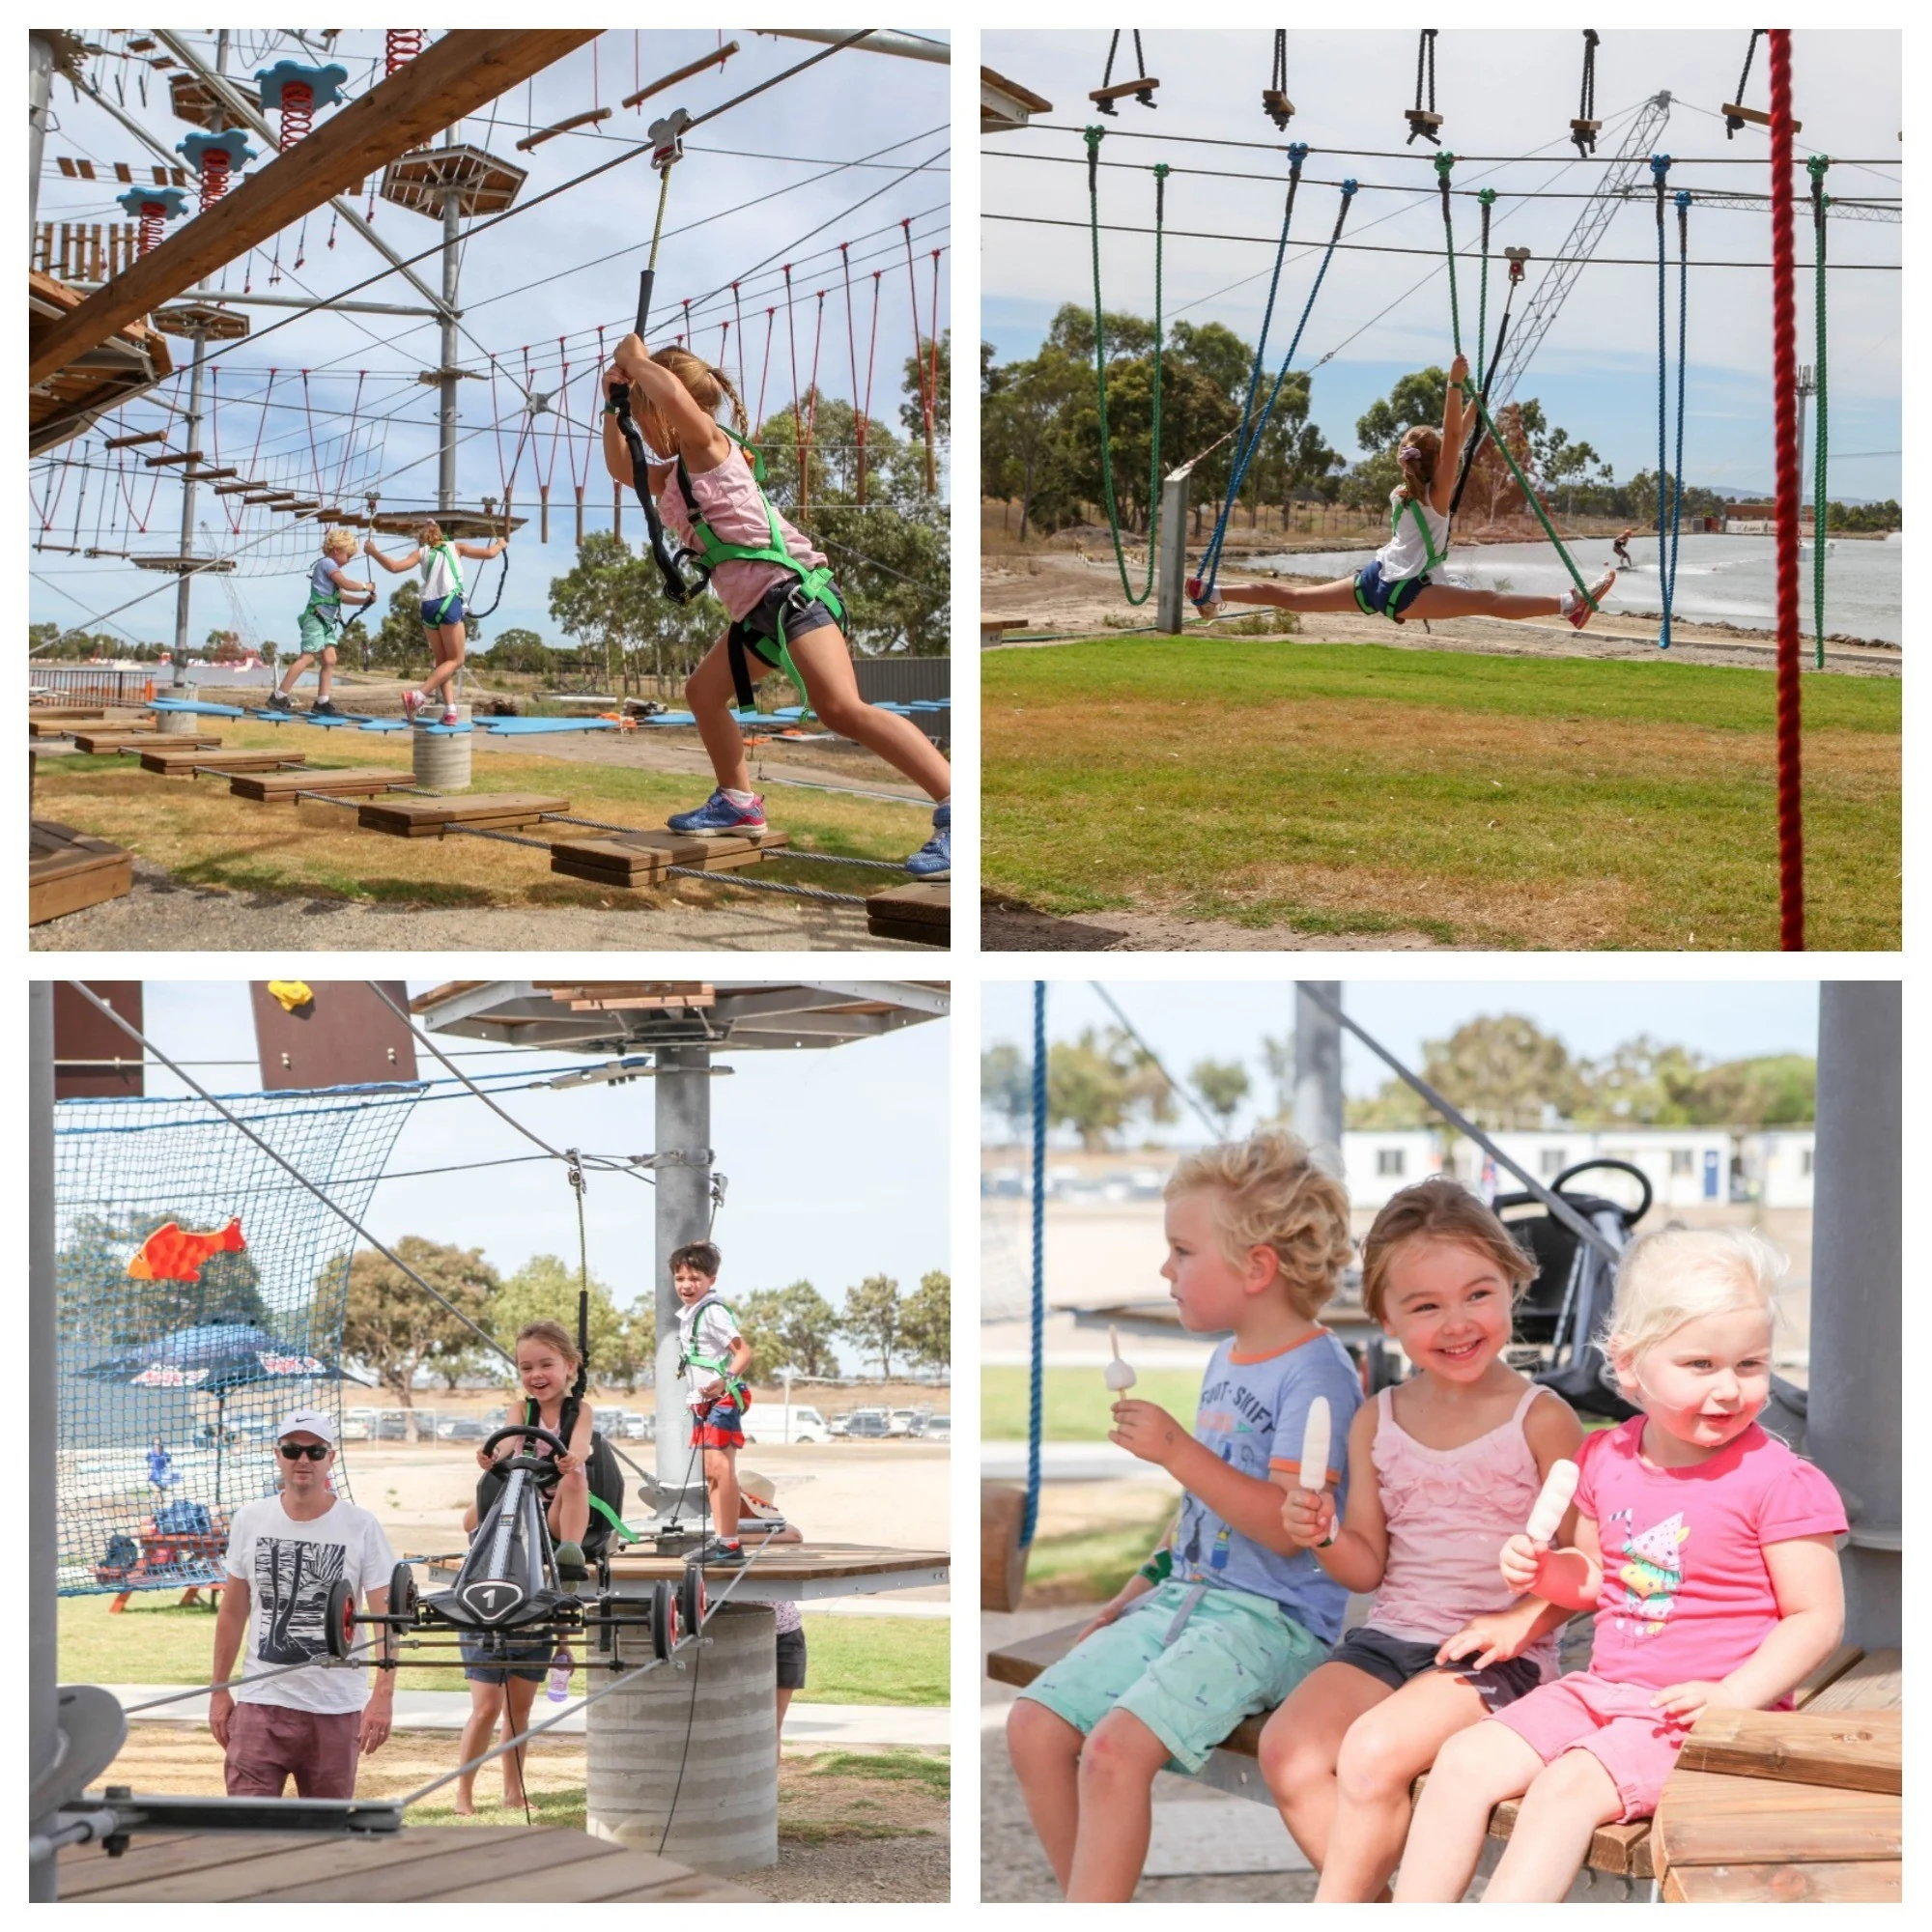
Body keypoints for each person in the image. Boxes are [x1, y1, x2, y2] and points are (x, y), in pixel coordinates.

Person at [1394, 1227, 1847, 1903]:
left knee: (1566, 1788)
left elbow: (1818, 1617)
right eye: (1700, 1366)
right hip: (1603, 1690)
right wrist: (1542, 1573)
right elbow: (1596, 1576)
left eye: (1750, 1365)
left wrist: (1733, 1697)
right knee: (1462, 1760)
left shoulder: (1779, 1481)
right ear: (1630, 1367)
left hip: (1704, 1715)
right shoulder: (1608, 1457)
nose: (1729, 1388)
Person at [1006, 1130, 1364, 1901]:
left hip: (1271, 1624)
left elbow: (1283, 1524)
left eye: (1181, 1251)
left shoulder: (1319, 1375)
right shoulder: (1226, 1357)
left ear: (1256, 1267)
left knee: (1113, 1752)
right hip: (1188, 1602)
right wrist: (1137, 1588)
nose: (1164, 1271)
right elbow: (1200, 1511)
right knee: (1034, 1727)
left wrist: (1176, 1449)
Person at [1258, 1180, 1585, 1900]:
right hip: (1391, 1636)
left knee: (1371, 1755)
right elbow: (1365, 1570)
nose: (1457, 1322)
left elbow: (1582, 1570)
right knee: (1287, 1751)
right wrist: (1323, 1533)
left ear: (1511, 1288)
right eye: (1425, 1305)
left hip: (1503, 1654)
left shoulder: (1543, 1418)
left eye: (1478, 1294)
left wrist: (1516, 1618)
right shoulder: (1378, 1418)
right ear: (1386, 1316)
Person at [600, 333, 952, 877]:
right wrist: (613, 404)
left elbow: (671, 398)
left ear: (667, 409)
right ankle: (737, 803)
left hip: (794, 597)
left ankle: (958, 807)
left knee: (841, 709)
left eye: (645, 415)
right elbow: (623, 471)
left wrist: (636, 361)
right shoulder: (673, 475)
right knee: (703, 693)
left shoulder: (709, 445)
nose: (644, 428)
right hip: (757, 615)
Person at [1189, 355, 1616, 632]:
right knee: (1488, 600)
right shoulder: (1435, 496)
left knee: (1295, 598)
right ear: (1434, 463)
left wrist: (1471, 406)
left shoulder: (1404, 491)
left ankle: (1213, 593)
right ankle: (1569, 604)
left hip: (1375, 578)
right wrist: (1453, 386)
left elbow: (1453, 440)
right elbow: (1453, 439)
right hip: (1407, 590)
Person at [209, 1408, 395, 1799]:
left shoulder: (361, 1525)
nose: (303, 1461)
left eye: (315, 1451)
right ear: (277, 1455)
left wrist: (383, 1695)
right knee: (247, 1826)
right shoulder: (250, 1519)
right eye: (292, 1450)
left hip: (335, 1706)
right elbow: (233, 1610)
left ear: (332, 1457)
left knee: (323, 1836)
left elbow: (385, 1616)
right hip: (262, 1703)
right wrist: (220, 1689)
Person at [363, 520, 507, 724]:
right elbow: (490, 554)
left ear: (422, 540)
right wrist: (501, 544)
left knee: (443, 663)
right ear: (440, 534)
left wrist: (373, 551)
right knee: (457, 660)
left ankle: (450, 710)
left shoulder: (421, 553)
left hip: (428, 607)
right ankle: (418, 696)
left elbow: (394, 567)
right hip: (449, 603)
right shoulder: (456, 547)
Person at [671, 1240, 754, 1564]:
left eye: (695, 1278)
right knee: (711, 1471)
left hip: (721, 1399)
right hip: (702, 1402)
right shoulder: (691, 1314)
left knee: (720, 1468)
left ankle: (730, 1544)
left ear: (711, 1280)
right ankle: (723, 1540)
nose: (687, 1285)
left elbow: (743, 1352)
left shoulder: (713, 1312)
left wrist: (726, 1380)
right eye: (681, 1279)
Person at [269, 527, 375, 718]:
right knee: (308, 657)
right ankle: (278, 695)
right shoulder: (326, 564)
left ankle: (322, 702)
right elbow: (345, 583)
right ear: (336, 550)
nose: (348, 560)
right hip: (315, 619)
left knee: (330, 659)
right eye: (347, 556)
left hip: (325, 622)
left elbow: (340, 596)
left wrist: (363, 601)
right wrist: (365, 586)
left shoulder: (332, 572)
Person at [738, 1471, 806, 1760]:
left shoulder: (771, 1528)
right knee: (739, 1722)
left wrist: (734, 1536)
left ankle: (766, 1794)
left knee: (771, 1727)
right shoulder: (709, 1529)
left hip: (785, 1633)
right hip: (742, 1635)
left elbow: (795, 1534)